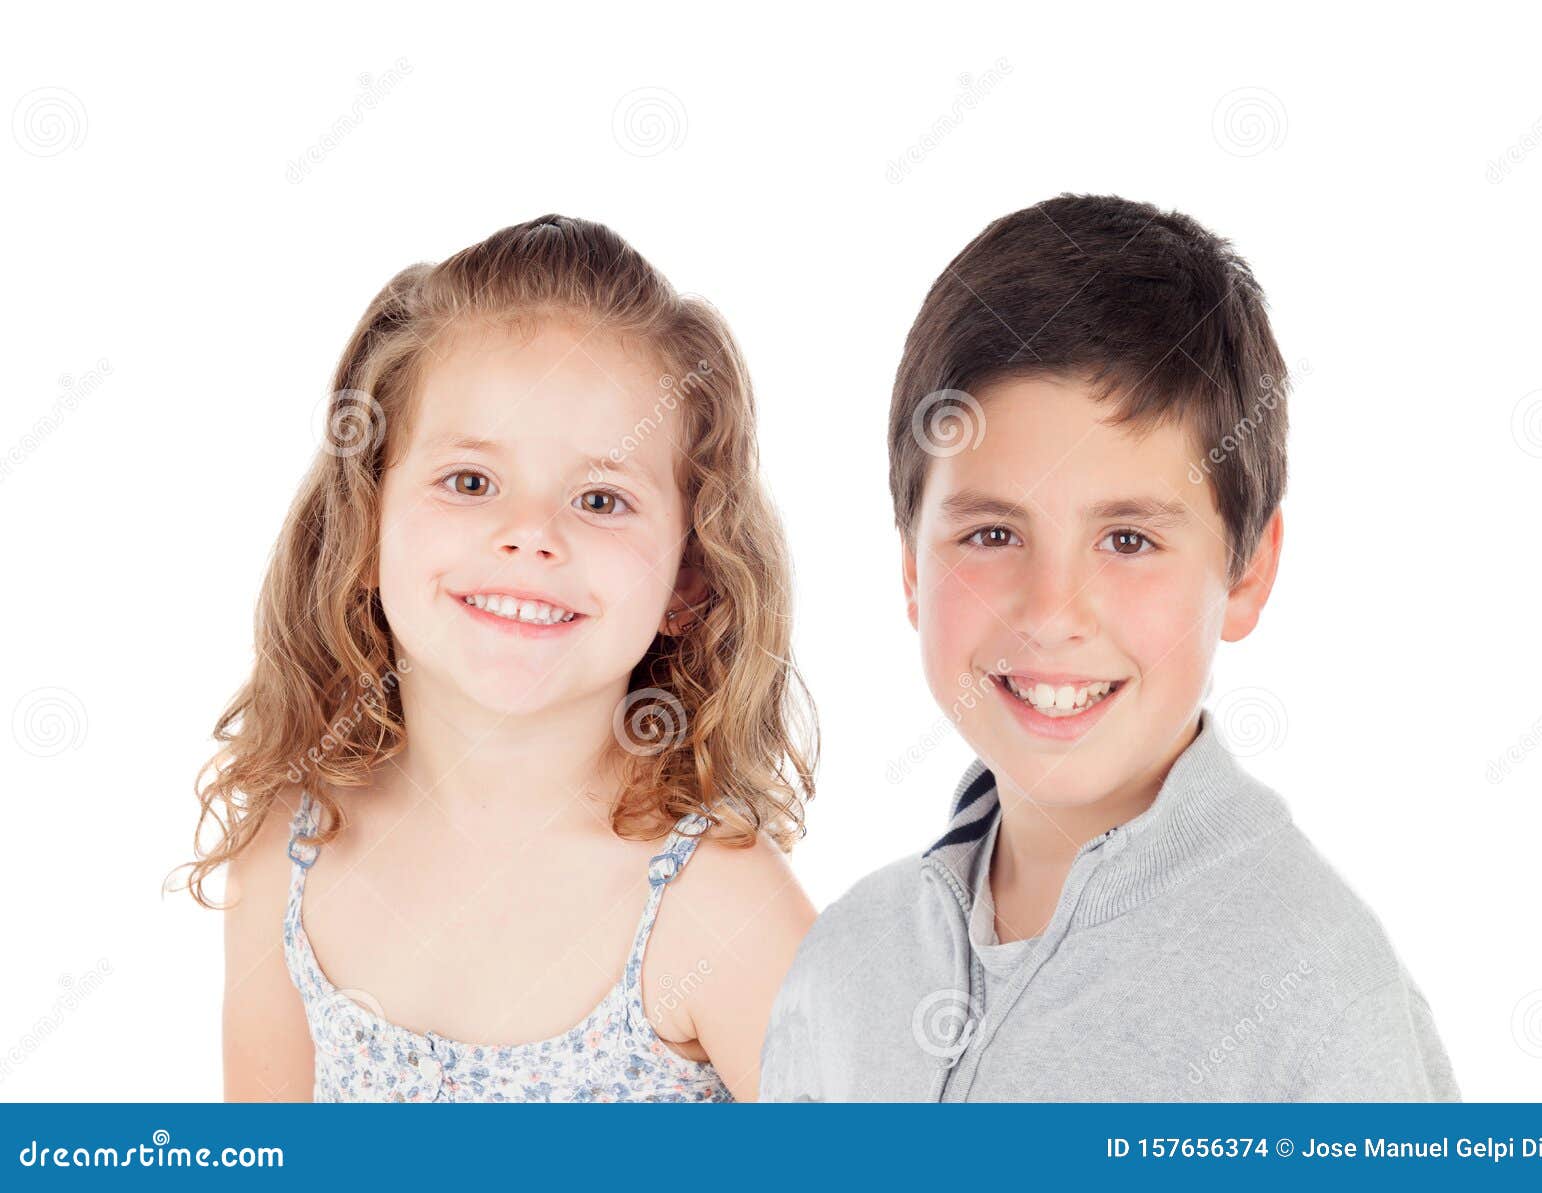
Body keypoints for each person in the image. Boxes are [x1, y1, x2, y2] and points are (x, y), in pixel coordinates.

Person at [759, 193, 1460, 1102]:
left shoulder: (1318, 998)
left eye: (1128, 539)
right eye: (992, 535)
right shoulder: (846, 965)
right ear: (910, 569)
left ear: (1246, 571)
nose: (1053, 613)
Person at [186, 215, 816, 1102]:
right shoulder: (285, 855)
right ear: (364, 529)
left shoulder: (721, 912)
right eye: (471, 482)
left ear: (691, 579)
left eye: (600, 498)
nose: (531, 535)